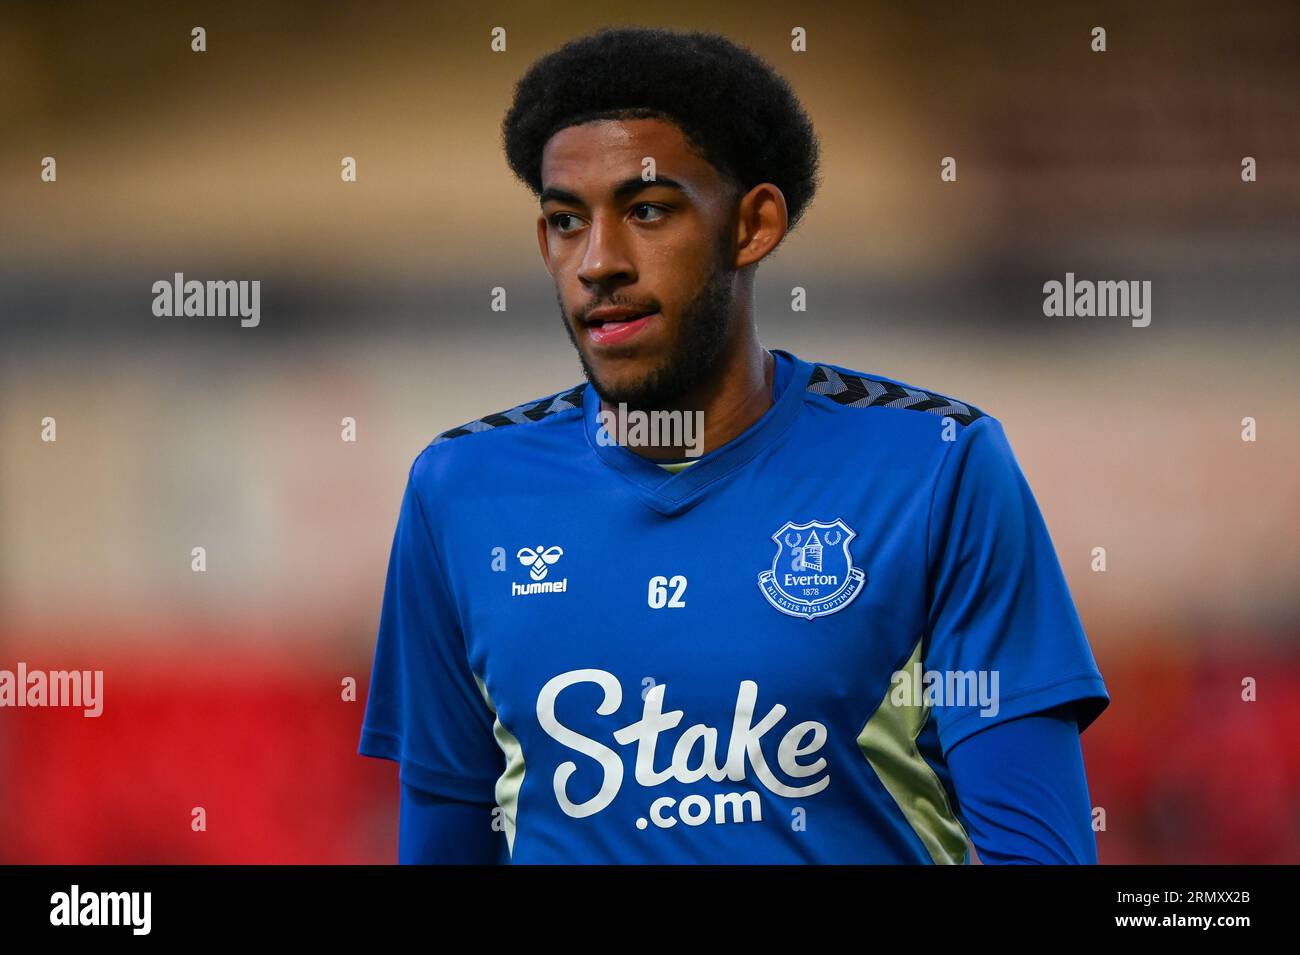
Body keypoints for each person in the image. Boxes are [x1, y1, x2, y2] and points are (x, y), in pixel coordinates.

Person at [359, 26, 1109, 864]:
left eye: (648, 211)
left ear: (753, 225)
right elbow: (444, 840)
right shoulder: (461, 490)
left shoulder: (939, 465)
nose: (599, 261)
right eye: (567, 221)